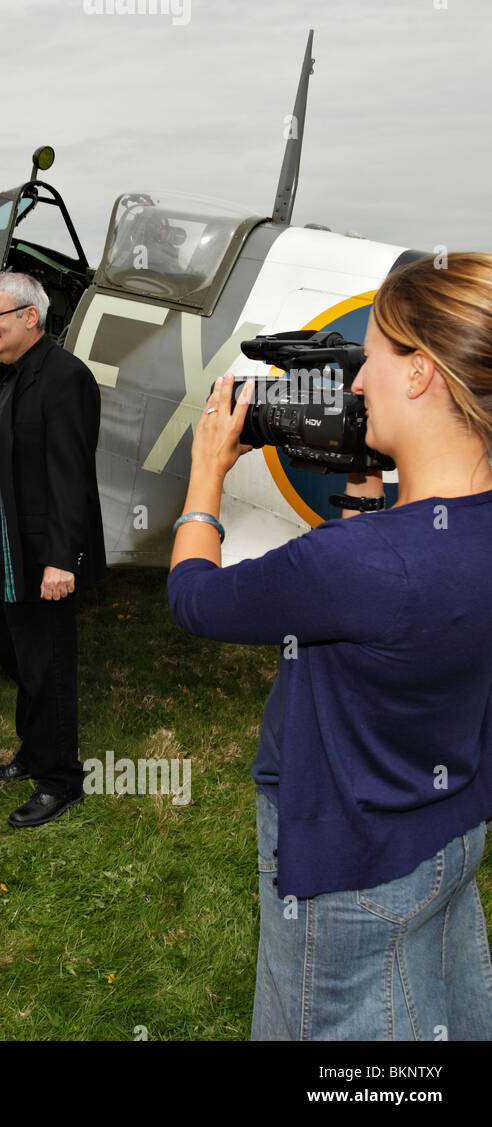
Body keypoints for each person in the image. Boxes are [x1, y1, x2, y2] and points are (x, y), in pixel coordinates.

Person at [168, 252, 492, 1040]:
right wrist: (364, 493)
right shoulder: (433, 541)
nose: (352, 385)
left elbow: (195, 599)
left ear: (419, 374)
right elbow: (402, 603)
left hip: (349, 865)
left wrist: (205, 474)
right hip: (446, 831)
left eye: (371, 358)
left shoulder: (360, 565)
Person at [0, 271, 106, 828]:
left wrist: (62, 558)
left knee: (48, 667)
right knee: (18, 662)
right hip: (0, 551)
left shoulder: (64, 378)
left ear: (30, 317)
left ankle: (61, 780)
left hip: (39, 556)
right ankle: (35, 752)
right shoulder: (4, 375)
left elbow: (71, 478)